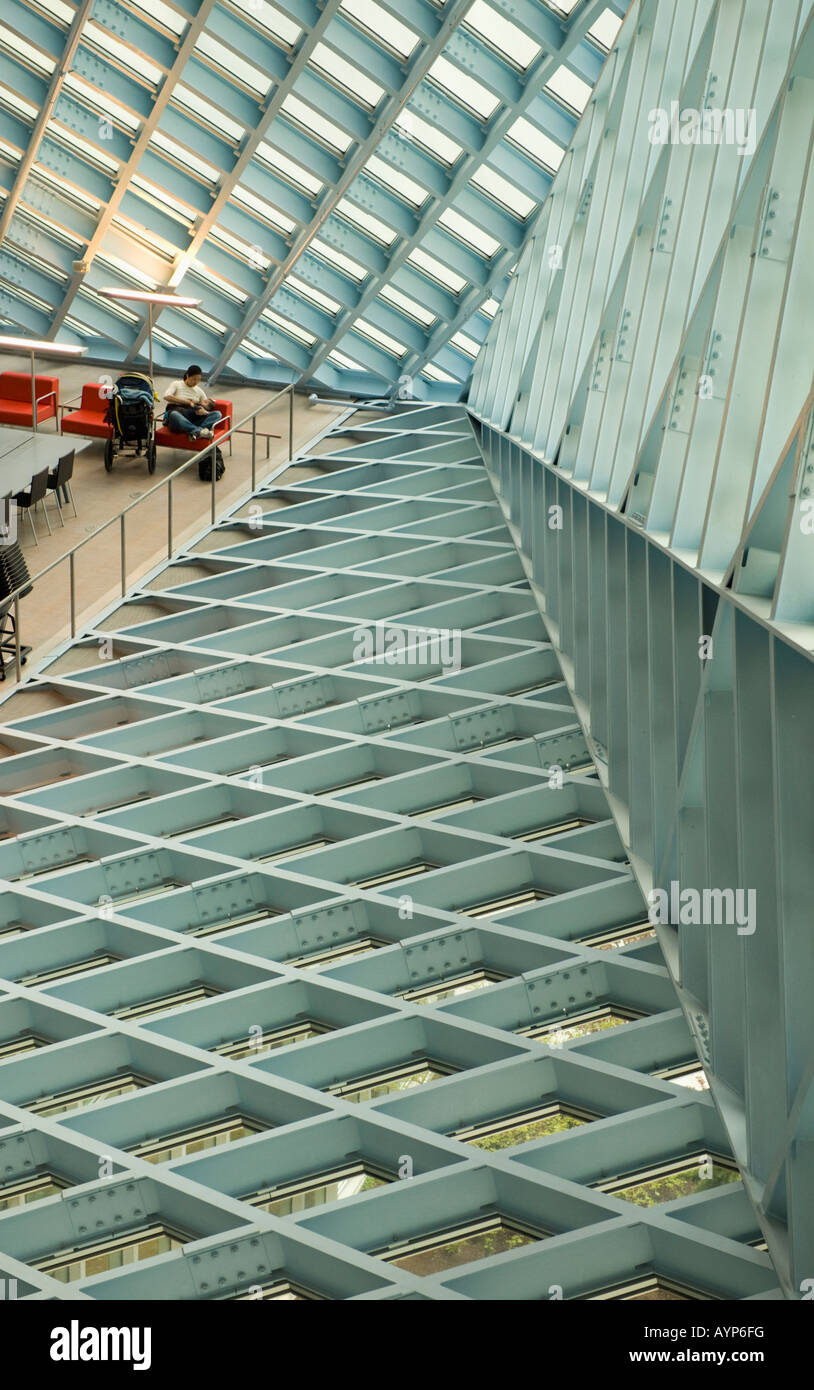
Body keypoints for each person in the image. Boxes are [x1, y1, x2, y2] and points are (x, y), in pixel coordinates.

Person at [163, 366, 222, 441]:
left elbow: (205, 404)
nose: (196, 382)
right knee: (174, 415)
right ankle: (199, 431)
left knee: (217, 414)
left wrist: (203, 410)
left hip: (192, 418)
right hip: (178, 418)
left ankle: (196, 432)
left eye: (199, 380)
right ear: (187, 376)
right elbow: (166, 396)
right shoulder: (176, 384)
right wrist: (188, 402)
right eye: (194, 379)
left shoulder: (199, 391)